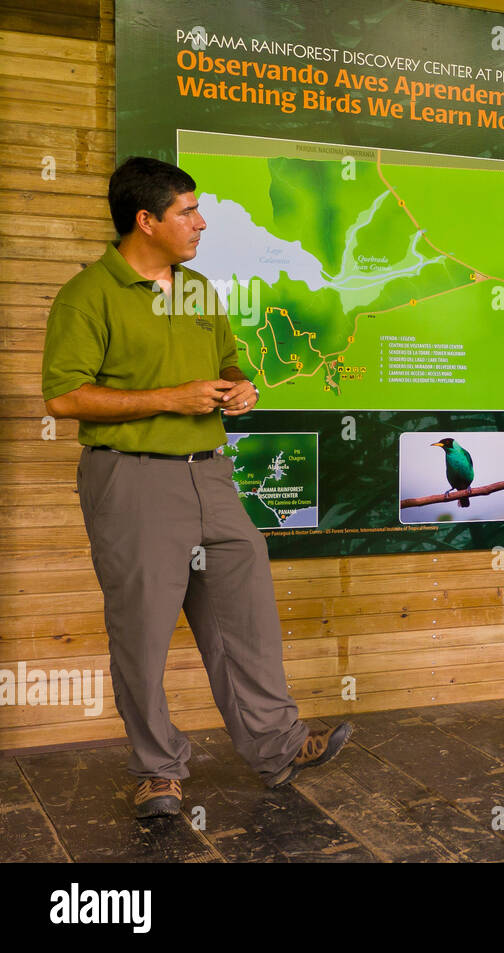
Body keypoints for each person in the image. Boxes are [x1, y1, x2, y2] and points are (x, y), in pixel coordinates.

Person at [41, 157, 351, 819]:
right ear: (145, 220)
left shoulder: (201, 290)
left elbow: (228, 361)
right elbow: (65, 397)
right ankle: (157, 771)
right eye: (187, 211)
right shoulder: (88, 293)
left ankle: (277, 746)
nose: (200, 222)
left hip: (210, 472)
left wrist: (239, 384)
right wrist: (169, 399)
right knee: (143, 629)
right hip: (132, 478)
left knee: (245, 612)